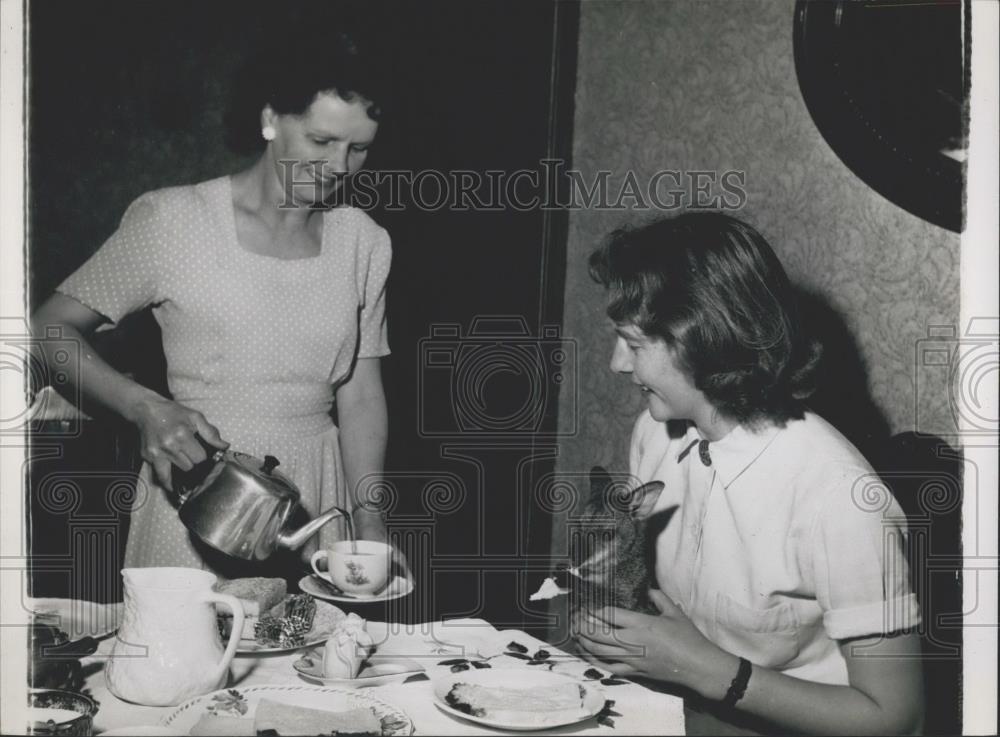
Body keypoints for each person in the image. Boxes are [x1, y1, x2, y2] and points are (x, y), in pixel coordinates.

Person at [31, 32, 395, 579]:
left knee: (308, 637)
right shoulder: (174, 220)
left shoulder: (364, 242)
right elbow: (48, 328)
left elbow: (361, 395)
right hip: (197, 490)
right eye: (321, 140)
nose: (339, 166)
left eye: (358, 148)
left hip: (315, 504)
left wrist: (369, 519)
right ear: (270, 119)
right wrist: (143, 407)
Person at [574, 213, 923, 735]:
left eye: (634, 344)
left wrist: (704, 668)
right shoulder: (655, 434)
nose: (616, 364)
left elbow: (899, 720)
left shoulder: (842, 497)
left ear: (702, 339)